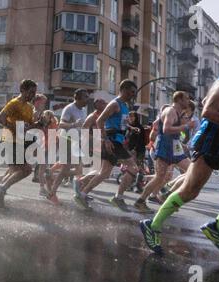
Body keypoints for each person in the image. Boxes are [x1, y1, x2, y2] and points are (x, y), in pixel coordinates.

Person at [140, 51, 219, 256]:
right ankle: (152, 225)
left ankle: (216, 227)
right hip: (208, 145)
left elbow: (206, 100)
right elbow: (206, 110)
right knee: (189, 191)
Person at [73, 80, 139, 211]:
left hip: (116, 141)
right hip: (112, 142)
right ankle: (118, 197)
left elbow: (119, 124)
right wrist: (106, 140)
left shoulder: (125, 106)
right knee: (133, 167)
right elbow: (99, 120)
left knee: (104, 173)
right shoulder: (115, 104)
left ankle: (82, 194)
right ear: (124, 89)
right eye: (132, 92)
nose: (134, 94)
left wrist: (130, 128)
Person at [133, 92, 195, 213]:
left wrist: (186, 119)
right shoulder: (170, 111)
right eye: (186, 99)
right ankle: (140, 201)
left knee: (192, 171)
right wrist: (186, 126)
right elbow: (166, 129)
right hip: (165, 147)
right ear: (179, 99)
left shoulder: (177, 113)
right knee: (159, 177)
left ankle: (167, 193)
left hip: (175, 147)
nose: (188, 101)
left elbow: (162, 124)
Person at [0, 79, 39, 209]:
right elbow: (0, 118)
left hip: (21, 142)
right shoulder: (14, 103)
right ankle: (1, 189)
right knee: (26, 170)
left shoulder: (29, 107)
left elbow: (28, 126)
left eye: (35, 92)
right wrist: (14, 127)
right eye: (31, 92)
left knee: (16, 170)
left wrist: (38, 124)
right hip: (10, 140)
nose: (33, 95)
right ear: (22, 90)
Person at [48, 89, 88, 205]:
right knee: (69, 168)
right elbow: (61, 124)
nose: (87, 99)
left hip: (75, 140)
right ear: (78, 98)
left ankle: (51, 174)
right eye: (85, 97)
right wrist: (73, 124)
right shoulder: (69, 108)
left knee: (78, 169)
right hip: (66, 139)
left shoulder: (83, 110)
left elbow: (82, 127)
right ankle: (52, 191)